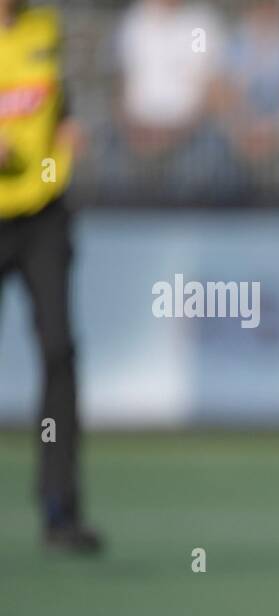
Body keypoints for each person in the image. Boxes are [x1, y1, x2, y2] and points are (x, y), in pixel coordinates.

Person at [0, 0, 101, 552]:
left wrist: (68, 128)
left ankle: (60, 508)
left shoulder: (44, 27)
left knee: (59, 351)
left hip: (42, 214)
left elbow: (58, 100)